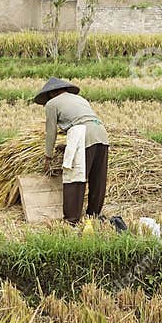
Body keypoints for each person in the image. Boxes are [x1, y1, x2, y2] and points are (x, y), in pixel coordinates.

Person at [34, 77, 110, 226]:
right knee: (98, 178)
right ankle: (93, 216)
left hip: (81, 134)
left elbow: (51, 132)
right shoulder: (80, 99)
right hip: (101, 133)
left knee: (75, 176)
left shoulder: (51, 103)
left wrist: (48, 156)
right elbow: (84, 120)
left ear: (51, 93)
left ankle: (71, 220)